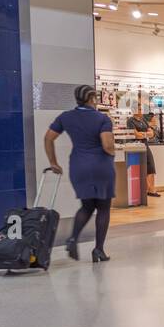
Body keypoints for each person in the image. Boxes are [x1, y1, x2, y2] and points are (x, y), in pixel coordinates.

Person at [46, 84, 115, 263]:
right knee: (103, 208)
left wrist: (53, 162)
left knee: (87, 206)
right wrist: (112, 152)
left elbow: (48, 138)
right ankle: (98, 249)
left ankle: (72, 238)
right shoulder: (102, 119)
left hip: (78, 166)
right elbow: (107, 145)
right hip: (101, 167)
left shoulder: (65, 117)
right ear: (92, 99)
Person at [126, 107, 162, 197]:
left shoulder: (143, 120)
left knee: (151, 166)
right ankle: (145, 189)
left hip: (145, 144)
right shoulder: (130, 121)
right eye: (140, 109)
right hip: (136, 145)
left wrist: (144, 134)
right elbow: (136, 135)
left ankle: (151, 189)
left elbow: (152, 133)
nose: (142, 111)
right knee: (140, 167)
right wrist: (146, 134)